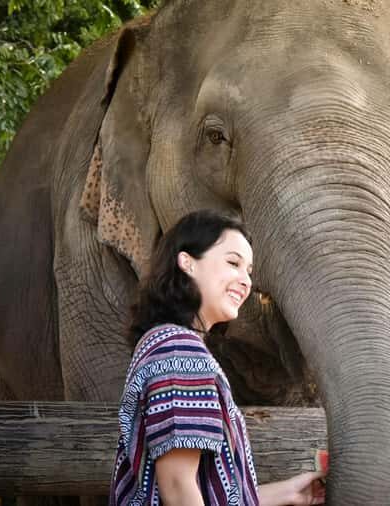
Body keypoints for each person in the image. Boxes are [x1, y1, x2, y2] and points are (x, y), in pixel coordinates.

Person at [109, 209, 326, 505]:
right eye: (233, 263)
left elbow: (202, 492)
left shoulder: (163, 342)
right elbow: (177, 486)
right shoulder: (180, 352)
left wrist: (290, 493)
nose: (245, 281)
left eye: (248, 271)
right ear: (187, 263)